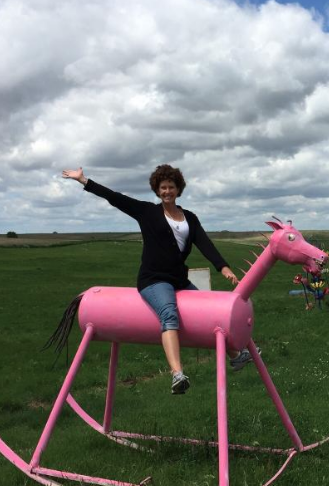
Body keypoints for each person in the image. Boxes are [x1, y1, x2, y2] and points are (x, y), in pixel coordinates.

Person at [61, 164, 257, 395]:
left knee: (212, 311)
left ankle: (236, 356)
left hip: (179, 279)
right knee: (169, 314)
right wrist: (84, 181)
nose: (167, 191)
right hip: (154, 280)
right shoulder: (147, 212)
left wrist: (222, 266)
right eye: (163, 187)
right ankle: (177, 374)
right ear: (157, 189)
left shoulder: (190, 218)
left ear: (178, 189)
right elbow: (115, 198)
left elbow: (205, 243)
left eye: (171, 187)